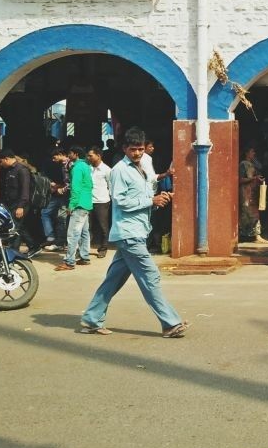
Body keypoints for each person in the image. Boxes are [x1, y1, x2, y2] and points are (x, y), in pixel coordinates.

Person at [79, 127, 189, 337]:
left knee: (114, 279)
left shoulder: (143, 166)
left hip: (136, 231)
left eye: (140, 149)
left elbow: (144, 196)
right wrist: (150, 200)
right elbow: (120, 201)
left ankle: (92, 318)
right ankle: (170, 323)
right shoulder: (120, 170)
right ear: (124, 149)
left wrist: (157, 201)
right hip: (129, 233)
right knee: (150, 276)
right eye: (133, 149)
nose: (137, 153)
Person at [55, 146, 93, 270]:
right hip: (86, 202)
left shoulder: (76, 168)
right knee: (84, 232)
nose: (68, 155)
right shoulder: (86, 166)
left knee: (72, 233)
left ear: (76, 154)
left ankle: (69, 261)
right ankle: (85, 257)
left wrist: (71, 205)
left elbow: (75, 188)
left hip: (78, 203)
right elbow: (89, 184)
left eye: (70, 153)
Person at [0, 149, 38, 255]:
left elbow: (25, 190)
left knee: (15, 227)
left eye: (1, 161)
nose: (1, 165)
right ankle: (33, 246)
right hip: (11, 203)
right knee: (18, 226)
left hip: (20, 204)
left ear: (6, 159)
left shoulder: (22, 170)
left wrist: (21, 206)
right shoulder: (9, 170)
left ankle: (14, 251)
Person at [41, 146, 70, 252]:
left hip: (66, 194)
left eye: (54, 158)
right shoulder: (63, 165)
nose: (53, 160)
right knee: (59, 217)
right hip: (62, 194)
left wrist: (60, 188)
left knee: (61, 218)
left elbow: (69, 183)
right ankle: (59, 241)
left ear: (61, 154)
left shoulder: (69, 165)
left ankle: (59, 241)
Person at [86, 145, 112, 258]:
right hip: (88, 200)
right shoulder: (88, 168)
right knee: (87, 226)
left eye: (91, 156)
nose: (88, 158)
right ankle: (84, 248)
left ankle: (103, 247)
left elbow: (111, 186)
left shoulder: (107, 170)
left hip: (102, 201)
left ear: (98, 156)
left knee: (103, 226)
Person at [239, 146, 266, 243]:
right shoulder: (243, 164)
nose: (254, 153)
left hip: (252, 192)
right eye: (252, 152)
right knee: (247, 215)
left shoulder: (252, 164)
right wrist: (254, 178)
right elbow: (240, 179)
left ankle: (256, 236)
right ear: (247, 153)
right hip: (245, 193)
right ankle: (252, 236)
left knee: (254, 213)